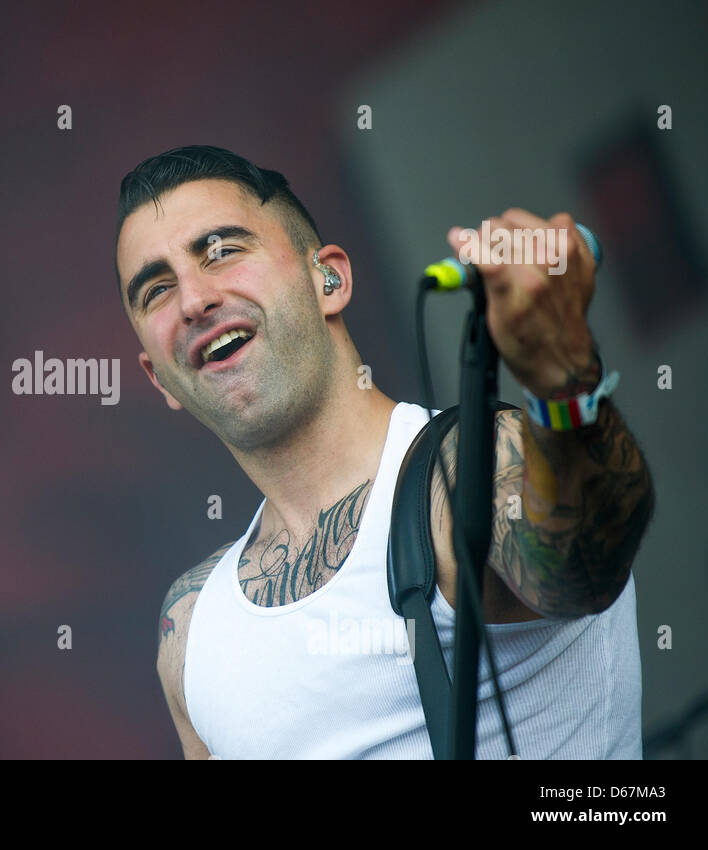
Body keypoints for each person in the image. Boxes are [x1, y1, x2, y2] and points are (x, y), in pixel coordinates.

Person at [114, 145, 655, 759]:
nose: (193, 300)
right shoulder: (189, 631)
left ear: (330, 280)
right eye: (156, 289)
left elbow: (587, 560)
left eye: (223, 250)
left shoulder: (470, 467)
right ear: (159, 380)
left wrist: (565, 384)